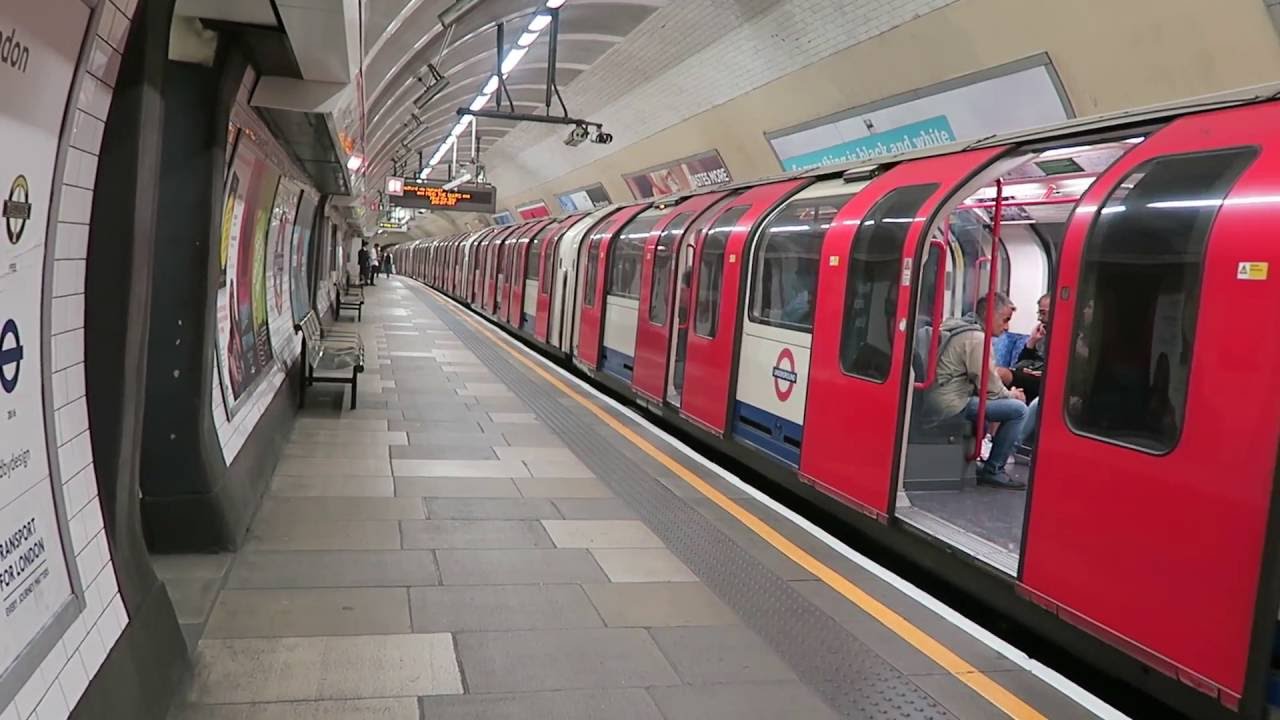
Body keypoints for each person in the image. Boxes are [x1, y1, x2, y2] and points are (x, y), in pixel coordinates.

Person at [926, 291, 1028, 488]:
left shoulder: (960, 328)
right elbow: (990, 387)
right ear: (990, 314)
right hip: (952, 402)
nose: (1006, 327)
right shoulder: (976, 338)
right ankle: (994, 469)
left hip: (940, 395)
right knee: (1018, 410)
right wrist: (1012, 395)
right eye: (1004, 320)